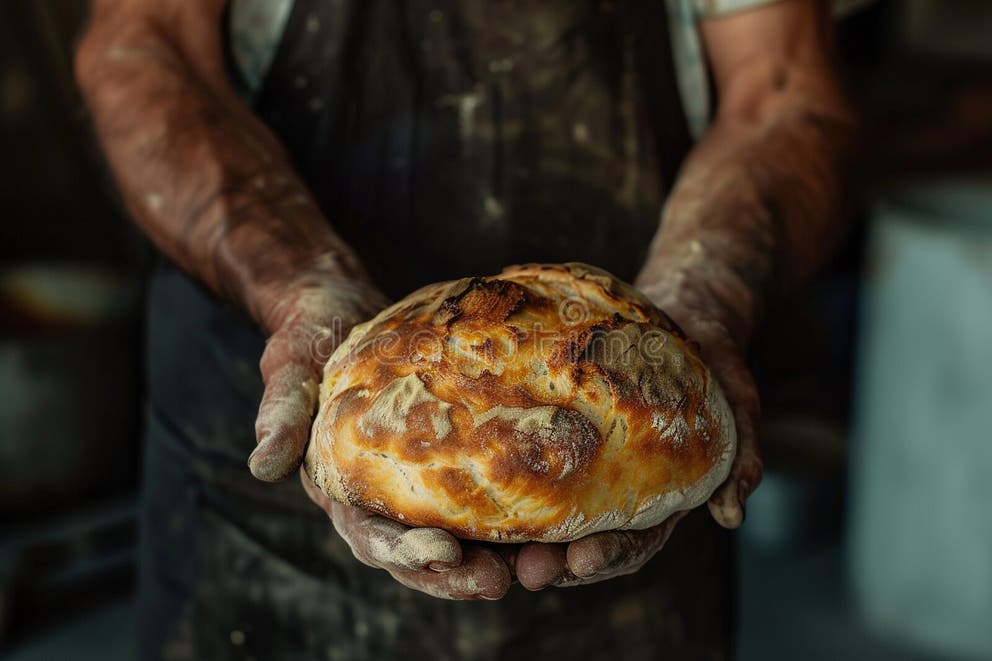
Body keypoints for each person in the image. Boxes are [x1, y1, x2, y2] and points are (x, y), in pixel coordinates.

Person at [75, 0, 854, 658]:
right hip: (260, 487)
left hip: (639, 436)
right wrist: (301, 286)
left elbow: (785, 91)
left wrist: (707, 288)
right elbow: (144, 50)